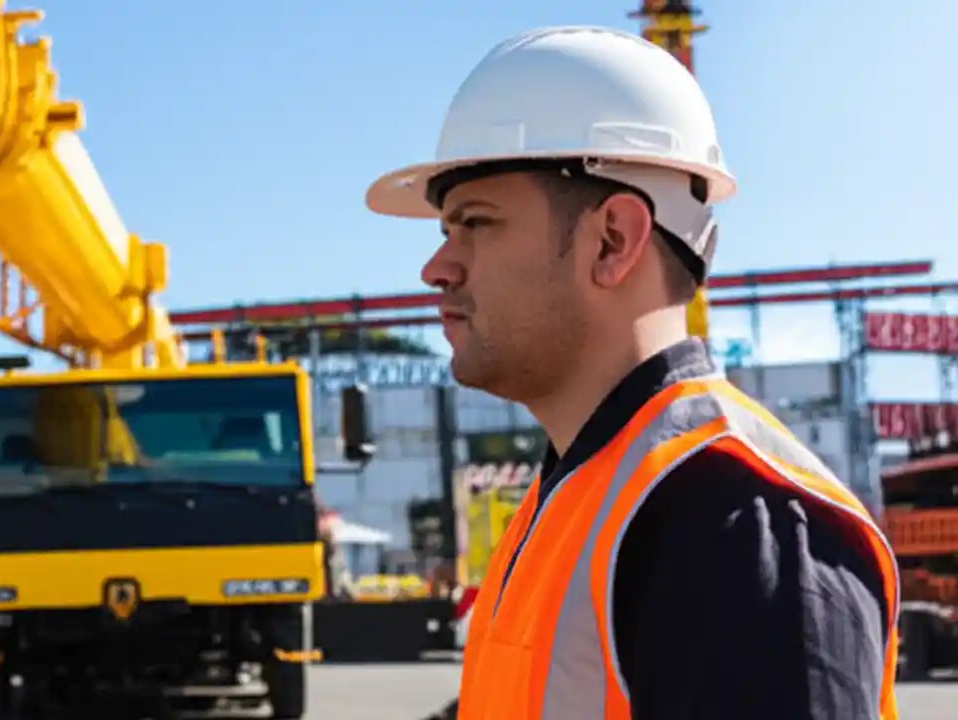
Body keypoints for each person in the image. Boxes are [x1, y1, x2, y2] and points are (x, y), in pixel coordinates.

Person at [365, 26, 900, 720]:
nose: (436, 269)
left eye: (476, 223)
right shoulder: (580, 495)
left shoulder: (738, 527)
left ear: (612, 241)